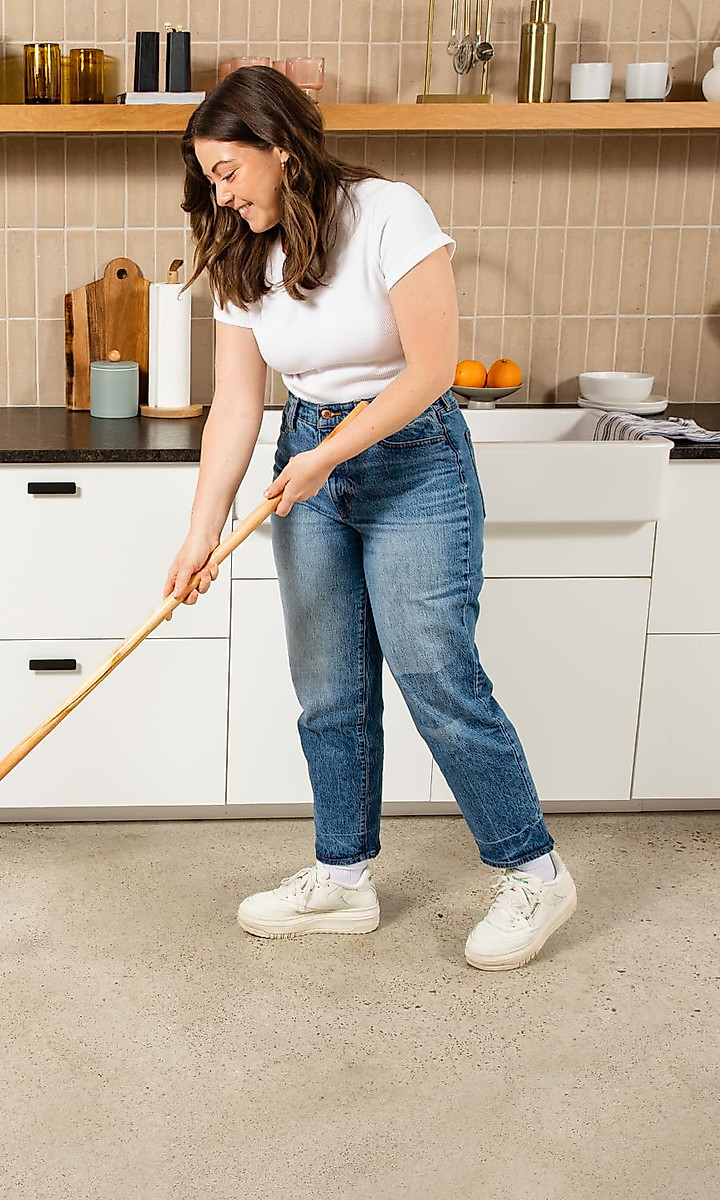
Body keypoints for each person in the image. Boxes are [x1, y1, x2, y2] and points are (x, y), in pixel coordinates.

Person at [164, 66, 576, 971]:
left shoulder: (388, 212)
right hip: (309, 459)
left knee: (437, 676)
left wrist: (326, 455)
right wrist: (201, 530)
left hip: (412, 459)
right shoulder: (242, 252)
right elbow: (237, 407)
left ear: (281, 148)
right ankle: (343, 878)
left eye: (230, 171)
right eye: (211, 179)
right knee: (329, 688)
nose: (221, 196)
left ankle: (535, 872)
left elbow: (432, 369)